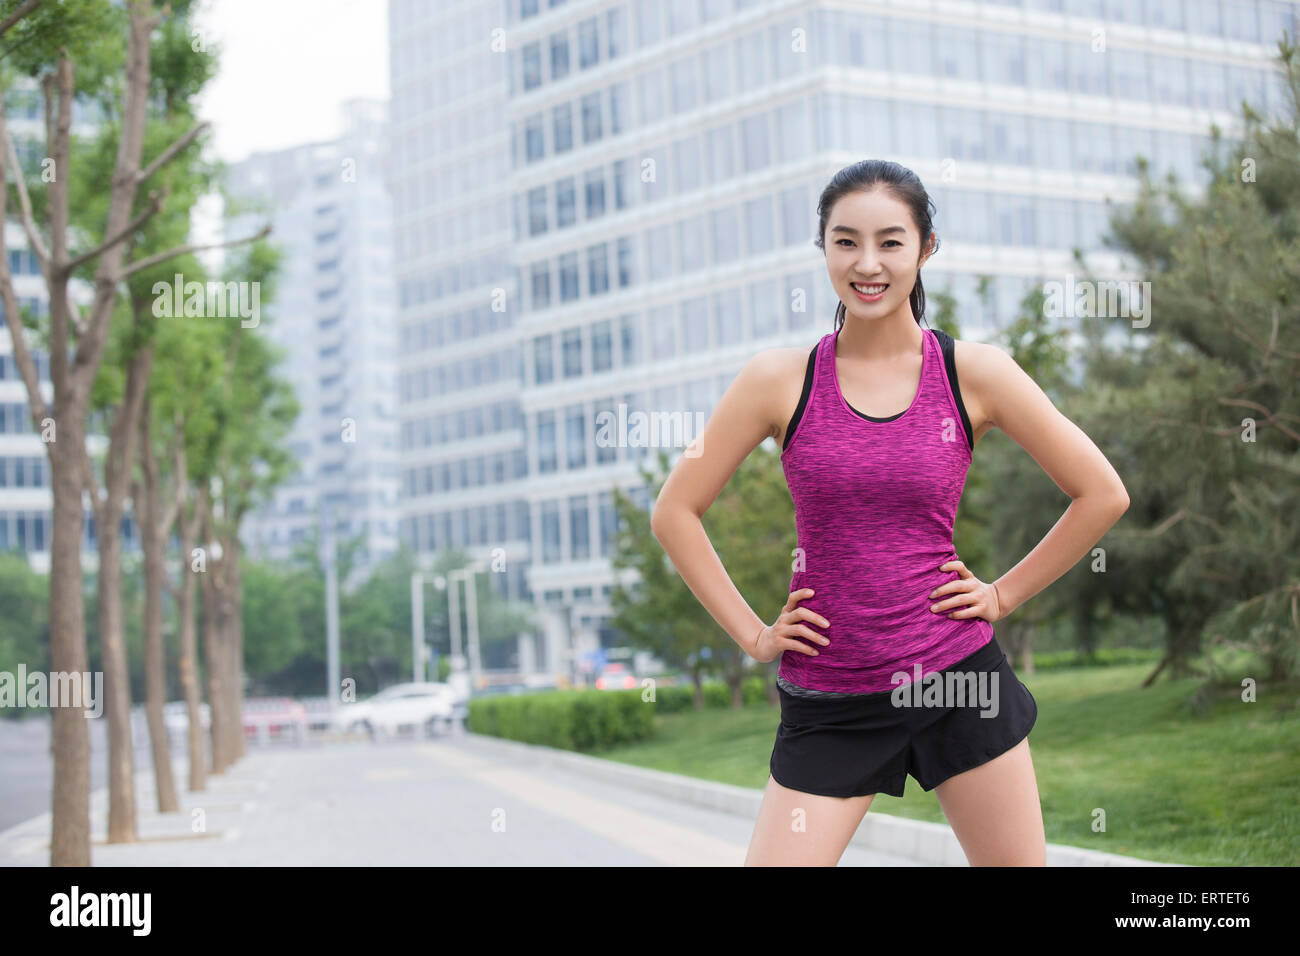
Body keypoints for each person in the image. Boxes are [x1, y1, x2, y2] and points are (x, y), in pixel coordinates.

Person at [649, 159, 1130, 866]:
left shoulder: (975, 373)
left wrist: (1001, 595)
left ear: (925, 248)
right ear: (823, 250)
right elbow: (675, 511)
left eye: (890, 241)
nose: (867, 263)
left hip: (957, 678)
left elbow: (1102, 493)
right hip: (829, 699)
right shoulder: (776, 381)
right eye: (845, 242)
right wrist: (754, 636)